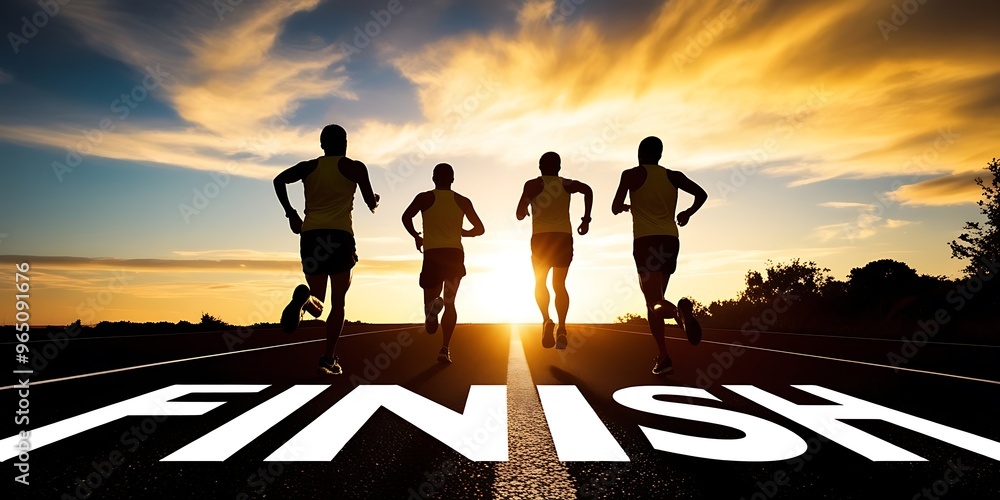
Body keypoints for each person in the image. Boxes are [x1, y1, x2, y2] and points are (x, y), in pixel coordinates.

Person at [273, 124, 380, 376]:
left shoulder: (309, 166)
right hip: (340, 236)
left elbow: (279, 180)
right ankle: (328, 357)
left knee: (317, 300)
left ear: (322, 145)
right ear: (345, 143)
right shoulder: (355, 167)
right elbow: (370, 203)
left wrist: (291, 213)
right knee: (338, 302)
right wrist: (375, 200)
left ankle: (305, 299)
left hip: (311, 236)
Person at [612, 136, 707, 375]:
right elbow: (701, 194)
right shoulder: (673, 176)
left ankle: (678, 315)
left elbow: (614, 207)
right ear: (660, 155)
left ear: (639, 154)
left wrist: (626, 207)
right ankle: (663, 357)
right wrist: (687, 213)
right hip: (670, 240)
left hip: (646, 242)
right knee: (655, 300)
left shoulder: (631, 175)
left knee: (654, 301)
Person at [402, 163, 485, 363]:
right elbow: (480, 228)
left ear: (433, 178)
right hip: (454, 255)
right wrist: (463, 233)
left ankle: (431, 313)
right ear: (452, 179)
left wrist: (416, 236)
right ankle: (445, 348)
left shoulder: (424, 198)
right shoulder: (462, 200)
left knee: (429, 307)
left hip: (432, 254)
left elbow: (406, 217)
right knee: (450, 303)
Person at [516, 152, 593, 349]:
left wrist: (526, 208)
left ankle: (546, 319)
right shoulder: (566, 184)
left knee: (540, 282)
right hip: (563, 238)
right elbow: (587, 190)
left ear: (540, 167)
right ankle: (562, 328)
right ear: (559, 167)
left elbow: (519, 214)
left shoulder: (533, 185)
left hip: (541, 239)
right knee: (559, 284)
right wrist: (586, 219)